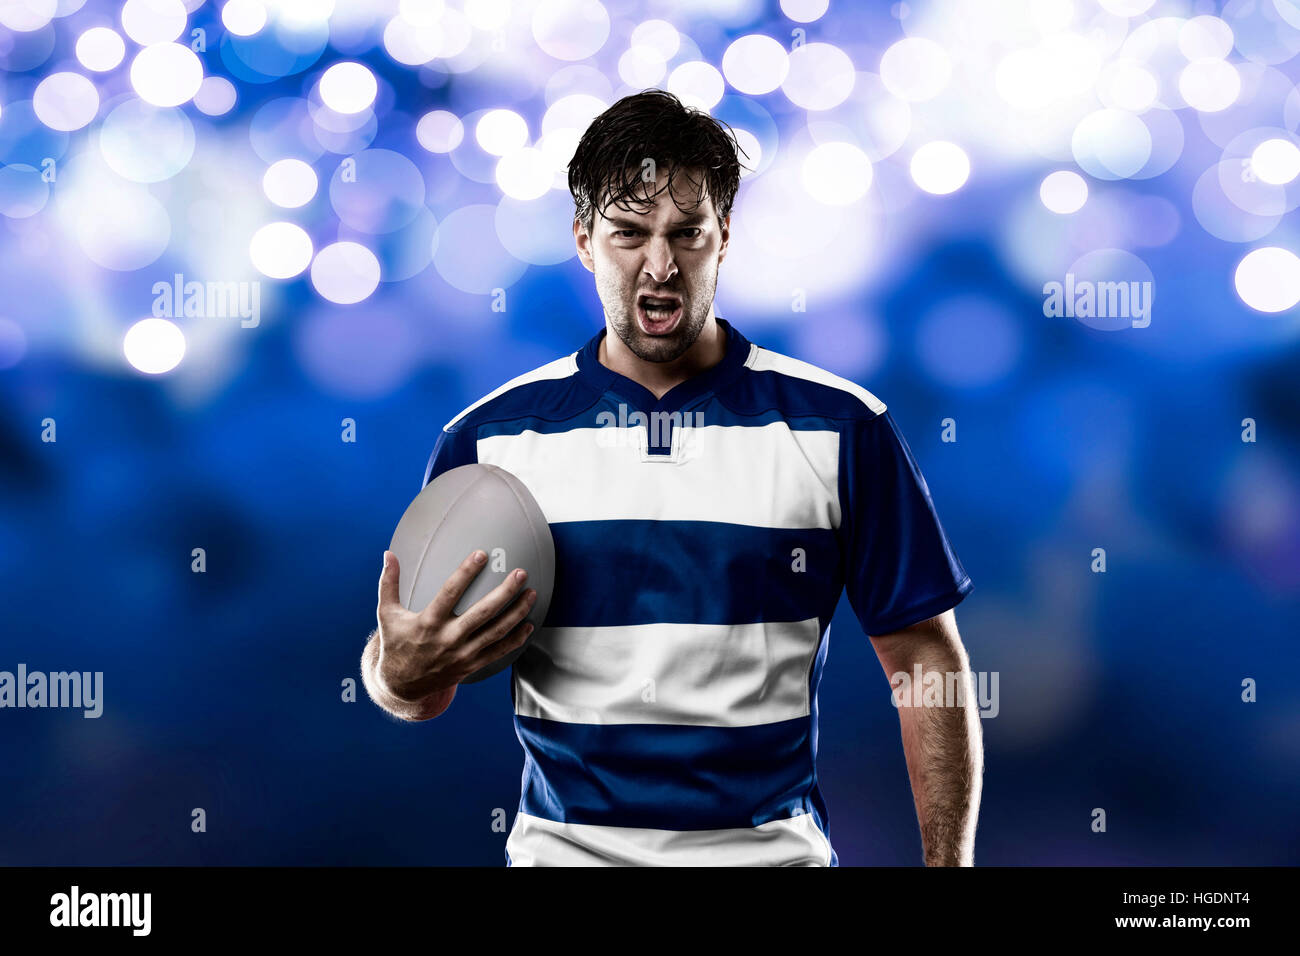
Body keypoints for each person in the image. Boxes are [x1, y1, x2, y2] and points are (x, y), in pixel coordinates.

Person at [361, 89, 980, 866]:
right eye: (628, 233)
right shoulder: (490, 439)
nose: (660, 265)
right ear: (584, 240)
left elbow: (924, 659)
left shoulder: (842, 427)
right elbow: (414, 684)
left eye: (687, 232)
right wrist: (395, 671)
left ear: (725, 237)